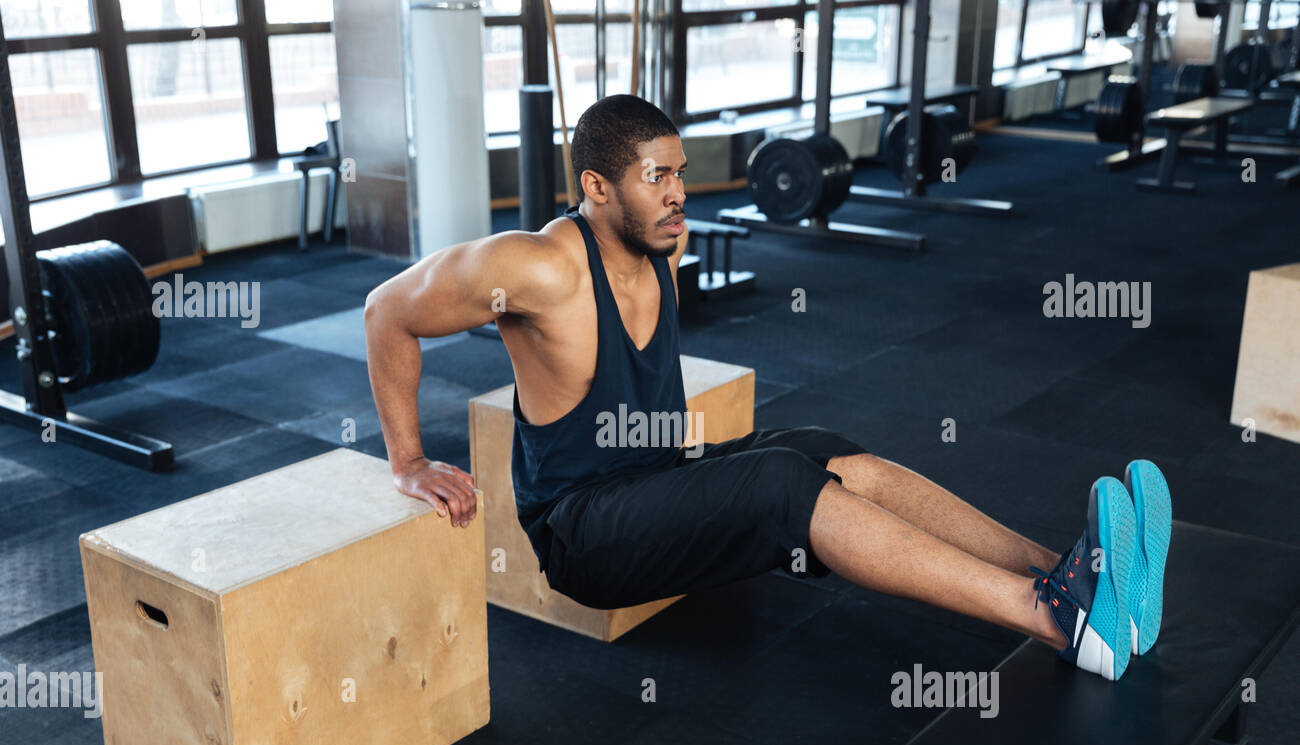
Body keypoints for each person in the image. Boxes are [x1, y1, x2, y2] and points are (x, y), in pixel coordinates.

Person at [363, 94, 1172, 681]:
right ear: (598, 186)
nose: (678, 192)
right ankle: (1054, 619)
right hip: (582, 533)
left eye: (679, 173)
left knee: (825, 451)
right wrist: (408, 461)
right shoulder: (532, 267)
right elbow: (384, 311)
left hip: (654, 483)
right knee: (784, 486)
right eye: (656, 178)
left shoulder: (662, 248)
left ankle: (1072, 573)